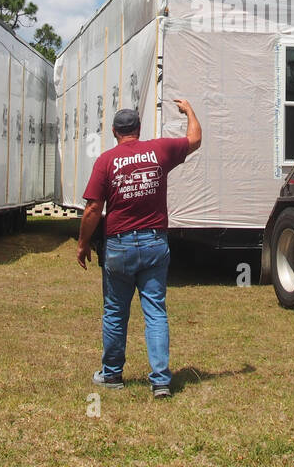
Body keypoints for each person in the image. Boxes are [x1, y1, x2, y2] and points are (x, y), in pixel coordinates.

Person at [77, 99, 202, 397]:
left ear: (114, 132)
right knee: (155, 311)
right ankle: (160, 381)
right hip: (154, 242)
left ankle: (112, 375)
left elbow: (93, 208)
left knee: (115, 312)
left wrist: (82, 244)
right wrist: (189, 111)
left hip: (119, 246)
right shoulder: (159, 150)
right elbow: (195, 139)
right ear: (139, 129)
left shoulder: (106, 161)